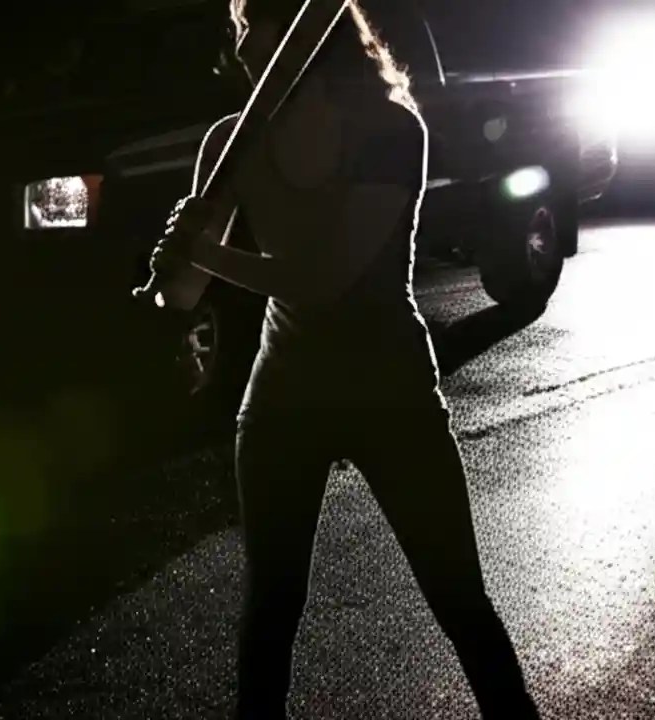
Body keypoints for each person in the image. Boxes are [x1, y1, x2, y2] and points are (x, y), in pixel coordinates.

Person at [147, 1, 543, 718]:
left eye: (255, 25)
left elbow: (323, 278)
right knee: (271, 609)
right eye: (238, 29)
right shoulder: (231, 140)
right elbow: (181, 296)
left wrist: (204, 252)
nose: (240, 44)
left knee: (458, 598)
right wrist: (174, 263)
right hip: (284, 393)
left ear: (310, 36)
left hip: (389, 389)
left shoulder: (392, 130)